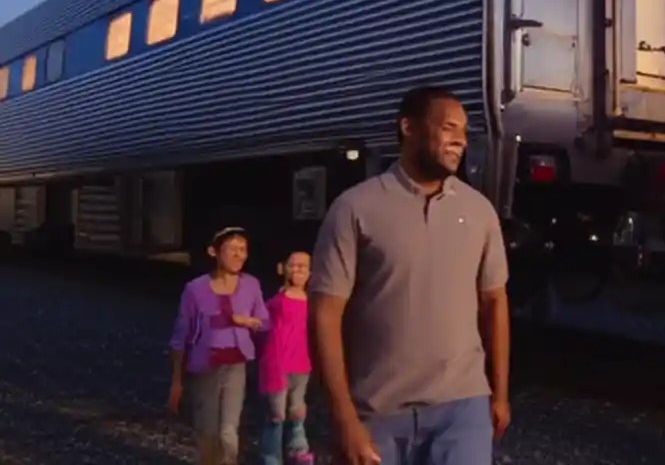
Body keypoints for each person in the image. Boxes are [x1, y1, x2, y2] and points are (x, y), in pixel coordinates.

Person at [310, 85, 511, 465]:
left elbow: (494, 300)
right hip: (378, 413)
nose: (461, 141)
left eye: (465, 132)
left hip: (462, 410)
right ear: (409, 127)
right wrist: (344, 418)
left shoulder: (480, 211)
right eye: (450, 128)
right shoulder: (355, 208)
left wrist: (498, 394)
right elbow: (325, 313)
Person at [168, 225, 271, 465]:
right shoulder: (195, 289)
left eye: (243, 249)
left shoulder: (251, 285)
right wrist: (176, 380)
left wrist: (248, 321)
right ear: (214, 252)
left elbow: (265, 322)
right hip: (205, 367)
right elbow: (180, 335)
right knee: (208, 433)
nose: (239, 255)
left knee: (228, 433)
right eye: (232, 249)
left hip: (236, 365)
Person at [258, 250, 315, 465]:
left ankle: (298, 450)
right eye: (293, 265)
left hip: (302, 363)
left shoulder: (312, 302)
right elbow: (262, 323)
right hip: (277, 363)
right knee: (276, 415)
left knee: (297, 410)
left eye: (303, 266)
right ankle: (271, 457)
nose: (298, 270)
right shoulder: (276, 301)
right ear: (284, 268)